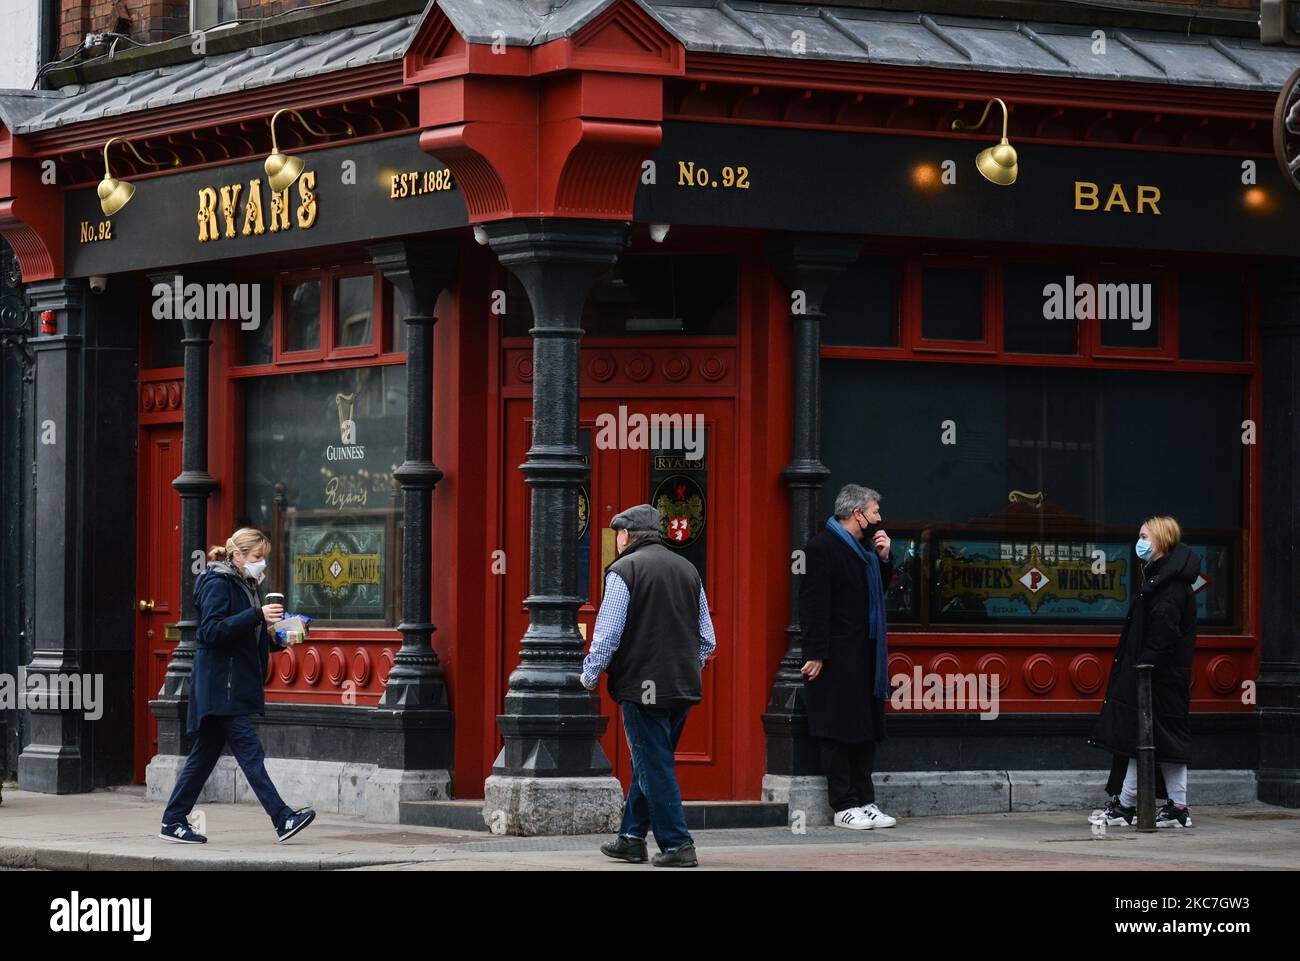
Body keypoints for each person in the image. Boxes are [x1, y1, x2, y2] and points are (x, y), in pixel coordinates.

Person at [159, 527, 317, 844]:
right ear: (238, 555)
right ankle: (283, 818)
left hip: (226, 683)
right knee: (250, 752)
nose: (262, 565)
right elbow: (212, 631)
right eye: (258, 557)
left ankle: (173, 820)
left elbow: (241, 634)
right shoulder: (218, 582)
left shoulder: (242, 584)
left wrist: (278, 638)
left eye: (264, 559)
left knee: (204, 755)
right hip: (222, 685)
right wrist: (257, 614)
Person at [582, 504, 716, 867]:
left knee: (653, 765)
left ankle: (678, 845)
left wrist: (590, 674)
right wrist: (687, 667)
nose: (616, 541)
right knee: (650, 760)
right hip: (682, 686)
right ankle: (631, 838)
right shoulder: (688, 569)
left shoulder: (624, 570)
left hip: (641, 687)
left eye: (618, 534)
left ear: (627, 535)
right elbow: (708, 639)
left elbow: (607, 634)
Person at [1088, 516, 1199, 829]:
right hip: (1157, 677)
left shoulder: (1170, 586)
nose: (1140, 542)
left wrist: (1144, 666)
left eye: (1144, 536)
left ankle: (1134, 806)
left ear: (1161, 541)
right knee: (1150, 740)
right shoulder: (1160, 579)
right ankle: (1169, 807)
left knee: (1152, 740)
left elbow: (1163, 633)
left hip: (1157, 679)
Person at [799, 484, 898, 830]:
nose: (879, 519)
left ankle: (865, 800)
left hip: (866, 654)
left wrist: (885, 561)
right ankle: (843, 805)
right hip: (837, 655)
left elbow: (872, 597)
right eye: (874, 513)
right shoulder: (822, 548)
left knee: (865, 729)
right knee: (838, 729)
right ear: (857, 514)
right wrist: (815, 653)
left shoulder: (867, 552)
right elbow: (813, 605)